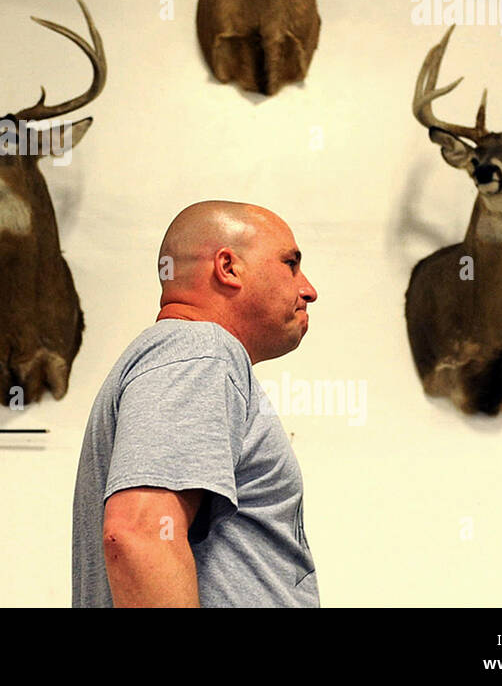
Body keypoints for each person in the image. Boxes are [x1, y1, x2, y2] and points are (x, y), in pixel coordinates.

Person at [71, 200, 319, 607]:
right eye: (290, 263)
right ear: (228, 267)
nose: (308, 288)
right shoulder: (199, 350)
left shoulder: (184, 357)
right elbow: (138, 533)